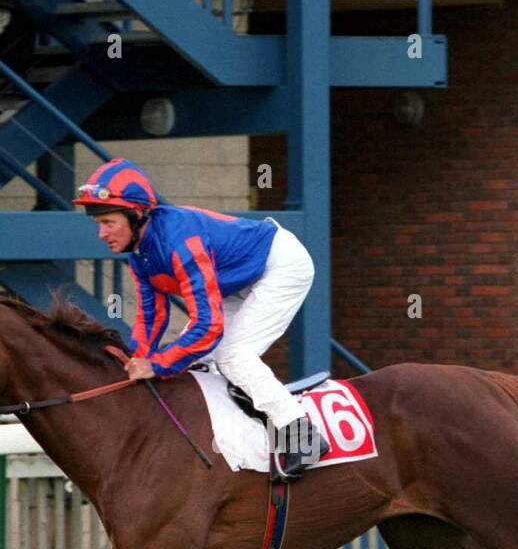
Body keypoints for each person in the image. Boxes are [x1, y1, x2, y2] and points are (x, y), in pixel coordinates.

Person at [73, 158, 329, 480]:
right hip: (238, 280)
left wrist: (157, 365)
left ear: (136, 214)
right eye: (98, 224)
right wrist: (133, 358)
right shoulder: (140, 255)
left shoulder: (180, 242)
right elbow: (151, 316)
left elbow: (208, 326)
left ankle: (300, 434)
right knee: (203, 359)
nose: (101, 233)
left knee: (234, 355)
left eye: (108, 222)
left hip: (280, 265)